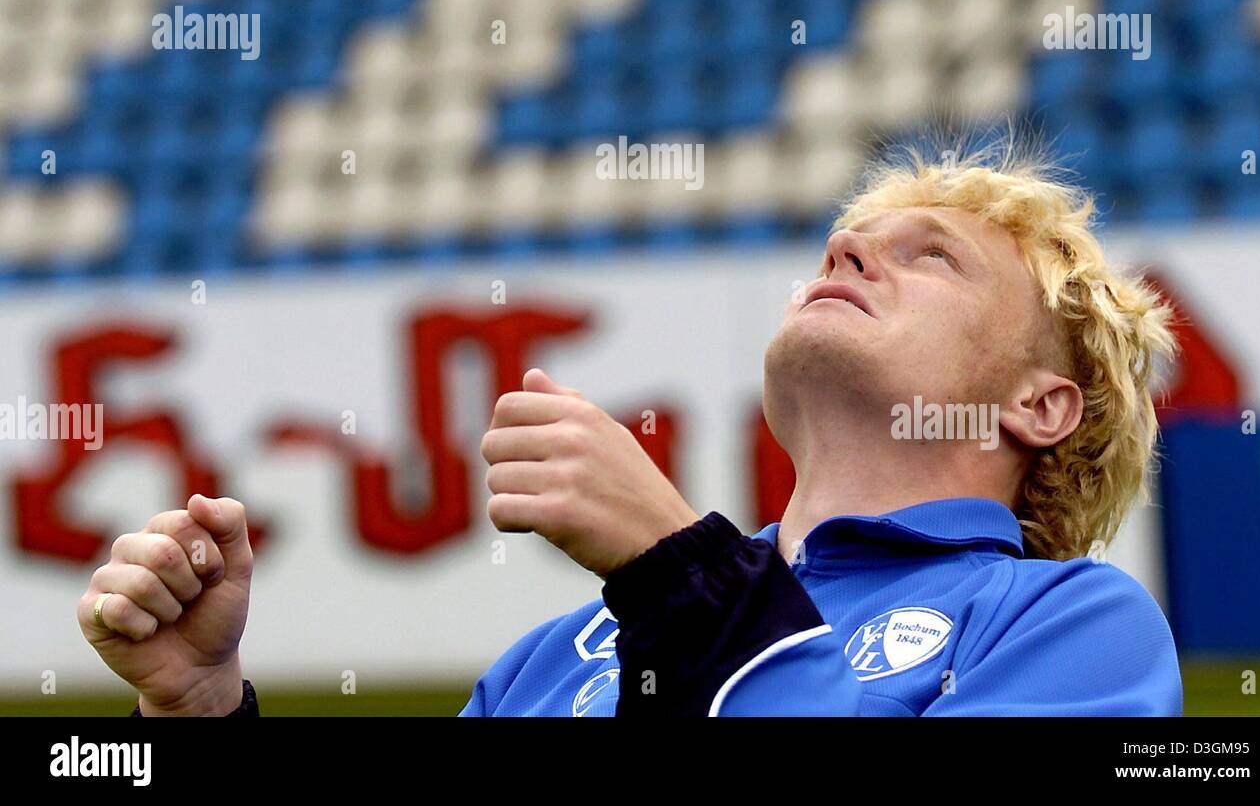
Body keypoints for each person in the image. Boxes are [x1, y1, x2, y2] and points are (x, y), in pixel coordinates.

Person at [78, 142, 1182, 716]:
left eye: (928, 254)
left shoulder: (1075, 626)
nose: (845, 254)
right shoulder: (549, 660)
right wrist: (200, 706)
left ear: (1038, 404)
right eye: (846, 240)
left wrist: (681, 573)